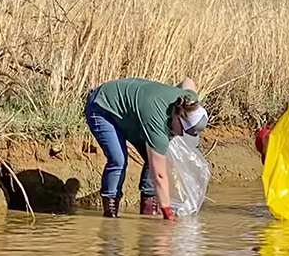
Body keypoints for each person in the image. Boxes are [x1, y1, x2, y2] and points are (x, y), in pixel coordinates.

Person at [84, 77, 209, 219]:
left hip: (131, 111)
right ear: (178, 117)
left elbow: (188, 81)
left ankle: (149, 208)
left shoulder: (189, 100)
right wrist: (167, 211)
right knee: (118, 160)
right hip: (102, 105)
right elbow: (159, 176)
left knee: (154, 158)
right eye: (182, 131)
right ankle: (110, 212)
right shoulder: (157, 123)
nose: (180, 135)